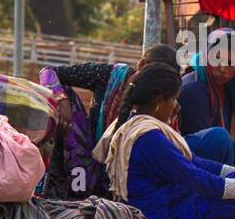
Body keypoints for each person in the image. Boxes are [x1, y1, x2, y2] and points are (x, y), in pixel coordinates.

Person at [96, 63, 235, 219]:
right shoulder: (150, 138)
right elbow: (195, 177)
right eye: (173, 100)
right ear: (158, 101)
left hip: (172, 203)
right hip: (165, 216)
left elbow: (195, 162)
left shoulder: (141, 127)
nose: (175, 107)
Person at [40, 44, 181, 197]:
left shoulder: (165, 104)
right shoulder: (109, 76)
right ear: (141, 65)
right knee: (62, 98)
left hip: (121, 174)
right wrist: (61, 100)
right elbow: (49, 72)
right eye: (155, 76)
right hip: (83, 156)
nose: (157, 85)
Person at [177, 27, 235, 166]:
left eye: (230, 63)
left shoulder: (232, 93)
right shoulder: (193, 90)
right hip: (192, 167)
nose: (223, 69)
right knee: (218, 138)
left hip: (218, 167)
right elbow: (204, 149)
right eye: (216, 59)